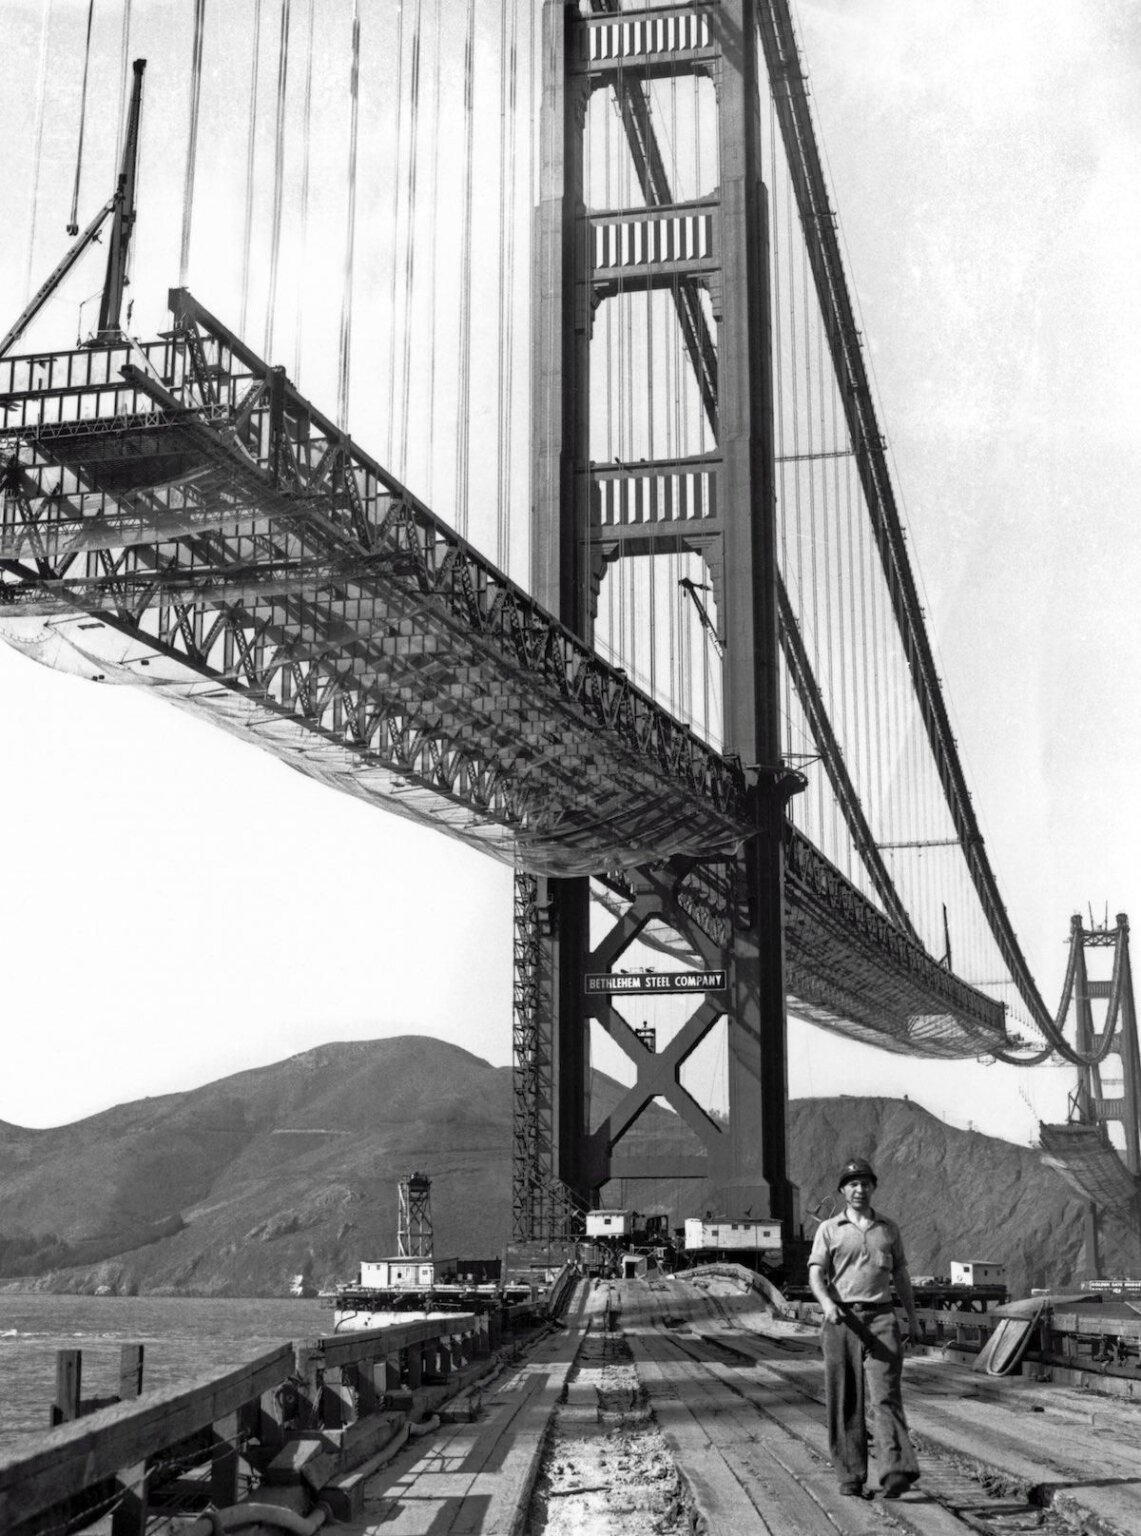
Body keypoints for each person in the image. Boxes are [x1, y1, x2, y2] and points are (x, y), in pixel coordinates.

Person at [807, 1156, 921, 1500]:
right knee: (846, 1399)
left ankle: (895, 1471)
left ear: (873, 1188)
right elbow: (815, 1273)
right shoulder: (829, 1230)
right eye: (853, 1184)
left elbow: (900, 1275)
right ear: (843, 1191)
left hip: (882, 1317)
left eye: (866, 1183)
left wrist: (913, 1318)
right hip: (842, 1319)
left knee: (887, 1396)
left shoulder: (888, 1228)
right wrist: (827, 1305)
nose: (860, 1189)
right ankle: (851, 1475)